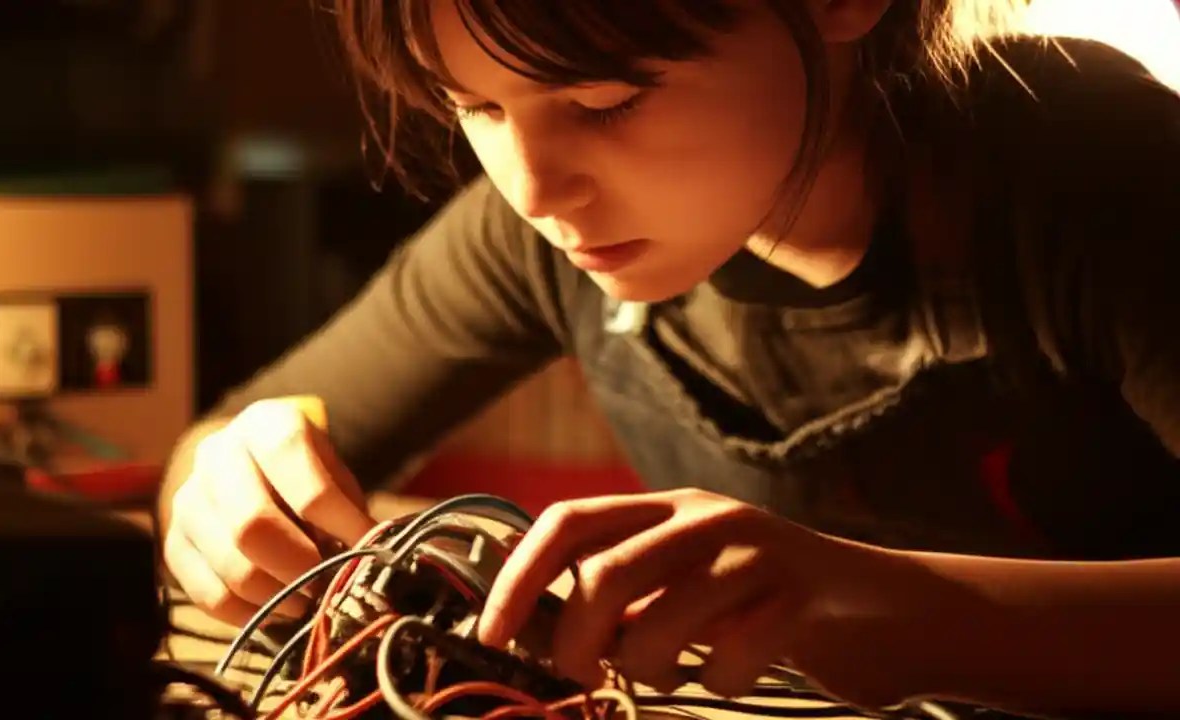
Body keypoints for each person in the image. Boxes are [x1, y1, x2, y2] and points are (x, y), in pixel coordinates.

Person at [159, 0, 1180, 715]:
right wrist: (224, 487)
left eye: (603, 103)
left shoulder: (1093, 171)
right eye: (471, 107)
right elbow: (227, 441)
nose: (535, 191)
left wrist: (879, 608)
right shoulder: (526, 239)